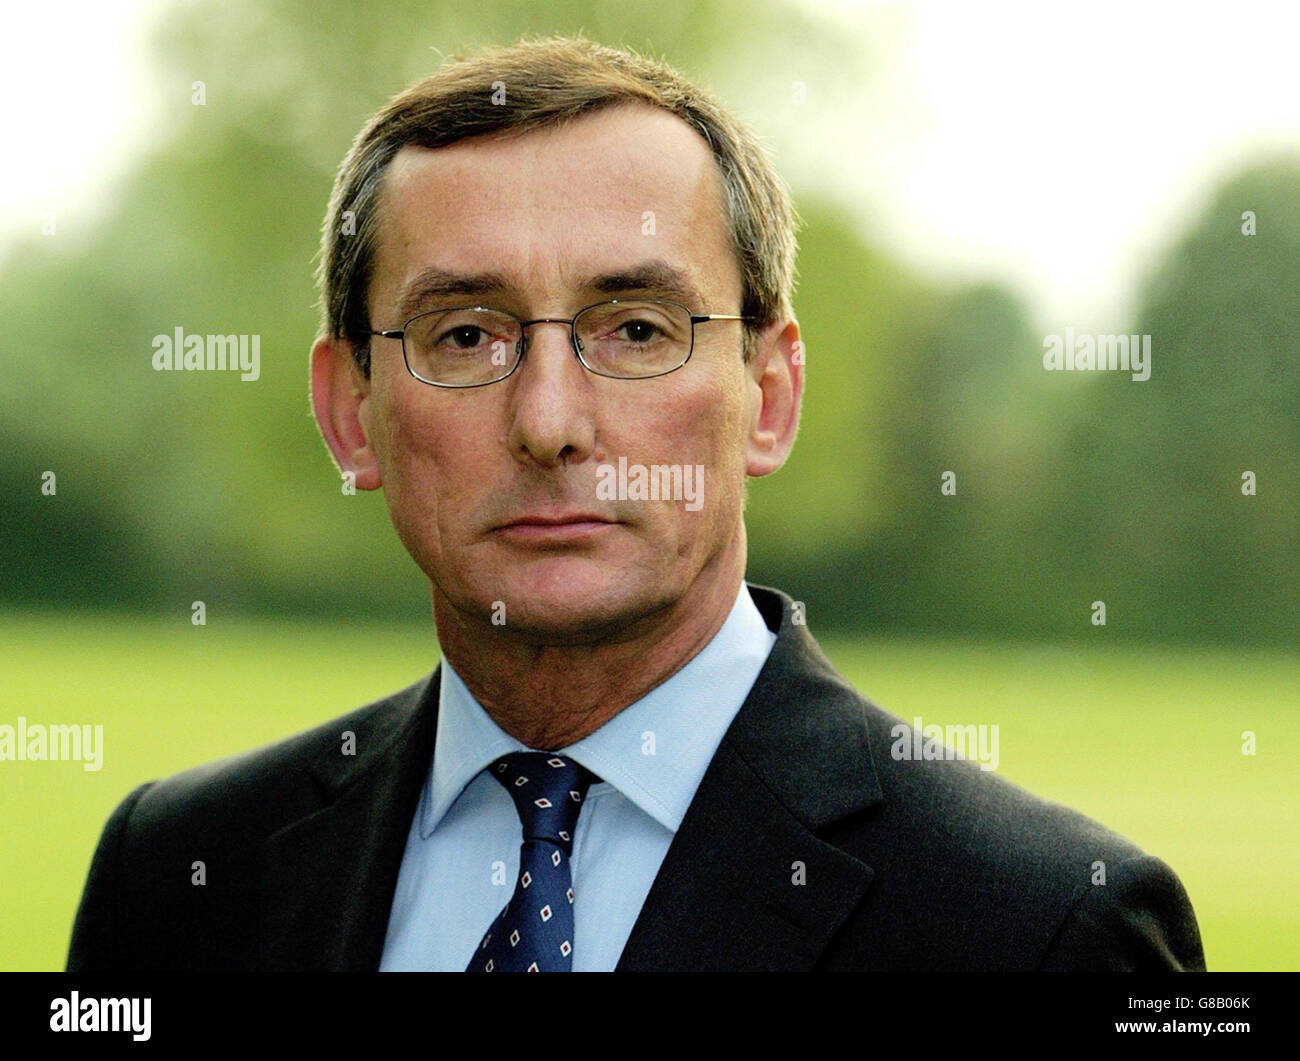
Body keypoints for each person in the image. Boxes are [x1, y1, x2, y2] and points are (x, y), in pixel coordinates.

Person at [67, 34, 1205, 972]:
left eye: (636, 331)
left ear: (767, 394)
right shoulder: (175, 874)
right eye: (466, 333)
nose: (551, 420)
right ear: (350, 410)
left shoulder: (1041, 929)